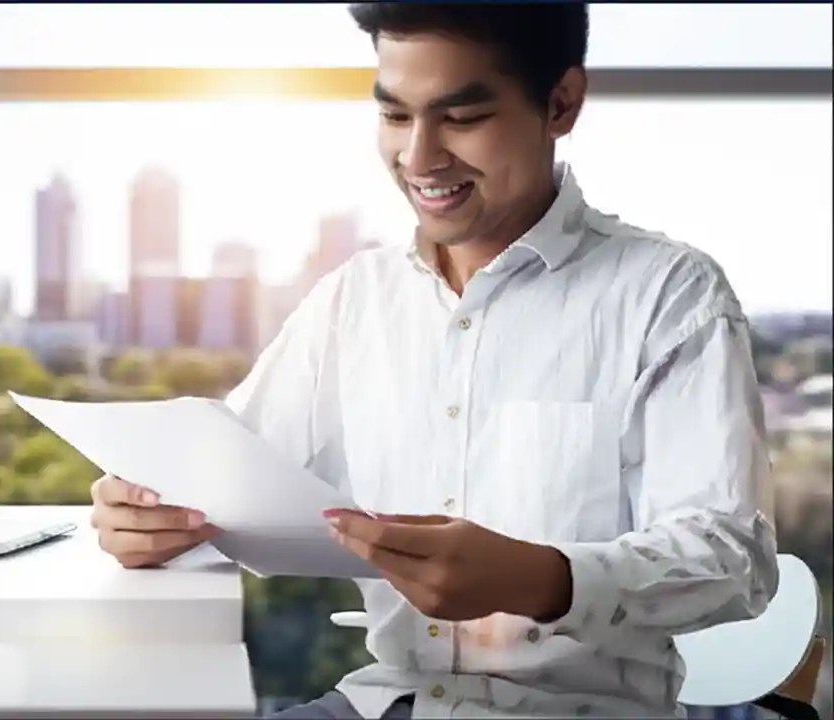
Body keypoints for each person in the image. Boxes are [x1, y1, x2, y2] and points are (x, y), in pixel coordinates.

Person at [89, 3, 779, 718]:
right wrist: (145, 516)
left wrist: (543, 578)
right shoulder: (355, 298)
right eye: (394, 116)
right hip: (385, 702)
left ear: (561, 103)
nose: (418, 157)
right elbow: (220, 479)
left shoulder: (668, 295)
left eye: (461, 118)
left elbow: (732, 559)